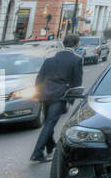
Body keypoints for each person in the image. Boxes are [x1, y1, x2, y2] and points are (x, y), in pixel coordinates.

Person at [30, 34, 84, 162]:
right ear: (76, 44)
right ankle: (37, 153)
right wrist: (71, 99)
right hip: (60, 96)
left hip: (46, 94)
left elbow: (39, 78)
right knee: (49, 123)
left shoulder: (50, 59)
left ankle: (50, 147)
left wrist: (39, 93)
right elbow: (77, 82)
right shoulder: (76, 60)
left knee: (49, 122)